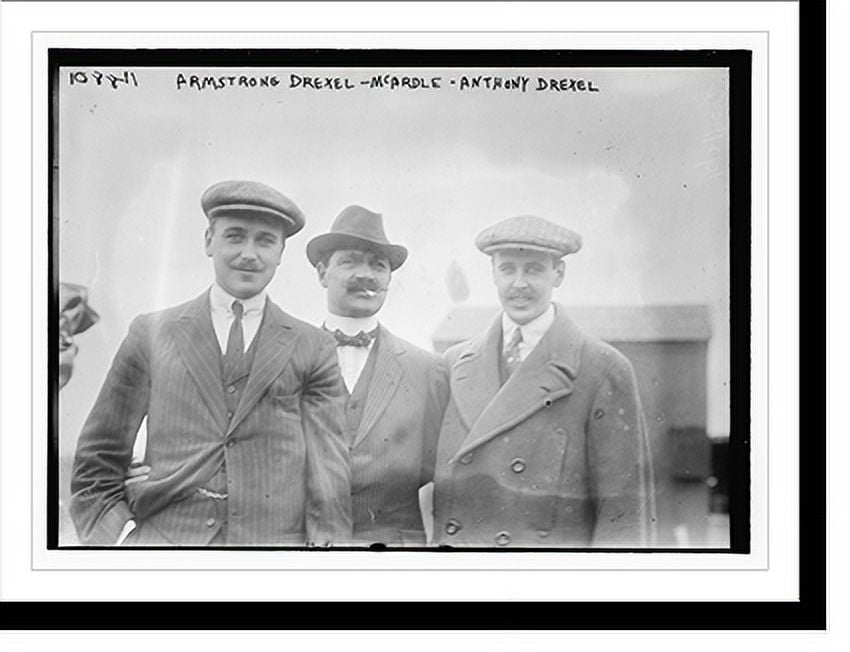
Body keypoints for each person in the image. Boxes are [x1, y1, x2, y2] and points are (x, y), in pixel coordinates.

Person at [70, 180, 352, 546]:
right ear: (208, 241)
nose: (249, 254)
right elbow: (98, 458)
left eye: (265, 241)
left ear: (281, 252)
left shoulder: (313, 346)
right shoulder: (152, 333)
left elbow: (329, 476)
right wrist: (120, 540)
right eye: (235, 237)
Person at [433, 215, 655, 548]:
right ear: (493, 274)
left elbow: (622, 515)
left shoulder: (603, 368)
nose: (519, 284)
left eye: (534, 269)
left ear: (559, 274)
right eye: (508, 269)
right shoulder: (454, 363)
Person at [306, 205, 450, 546]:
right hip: (305, 555)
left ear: (389, 279)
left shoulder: (428, 370)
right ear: (323, 273)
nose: (366, 275)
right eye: (350, 261)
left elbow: (438, 474)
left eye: (378, 265)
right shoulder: (289, 359)